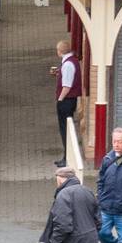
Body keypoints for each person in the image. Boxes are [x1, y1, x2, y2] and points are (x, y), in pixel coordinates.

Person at [50, 38, 82, 167]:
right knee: (65, 128)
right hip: (70, 100)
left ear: (60, 51)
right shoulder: (71, 61)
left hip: (66, 100)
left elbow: (67, 86)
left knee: (65, 129)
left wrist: (60, 99)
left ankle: (67, 157)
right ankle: (66, 156)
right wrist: (59, 73)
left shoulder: (68, 64)